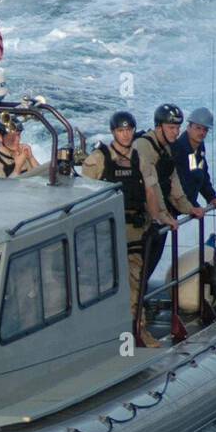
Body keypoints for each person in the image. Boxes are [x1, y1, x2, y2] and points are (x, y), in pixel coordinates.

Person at [130, 103, 205, 347]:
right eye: (172, 127)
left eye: (178, 127)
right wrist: (161, 215)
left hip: (155, 222)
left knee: (146, 270)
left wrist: (188, 208)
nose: (176, 132)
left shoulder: (171, 150)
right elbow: (151, 188)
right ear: (159, 127)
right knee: (136, 274)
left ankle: (137, 317)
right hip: (138, 221)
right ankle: (136, 328)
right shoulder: (144, 147)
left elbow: (173, 186)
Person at [82, 110, 148, 339]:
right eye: (121, 130)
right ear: (113, 132)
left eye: (129, 130)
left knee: (135, 279)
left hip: (134, 229)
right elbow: (83, 196)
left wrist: (160, 217)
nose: (126, 135)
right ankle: (101, 330)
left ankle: (137, 328)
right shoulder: (99, 159)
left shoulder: (140, 157)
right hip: (105, 230)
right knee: (102, 279)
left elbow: (151, 190)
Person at [172, 107, 216, 209]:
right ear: (188, 127)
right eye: (198, 128)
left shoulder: (199, 146)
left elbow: (202, 174)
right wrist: (194, 207)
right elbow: (180, 183)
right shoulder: (179, 149)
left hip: (185, 204)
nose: (202, 133)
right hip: (172, 205)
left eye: (205, 129)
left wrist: (211, 196)